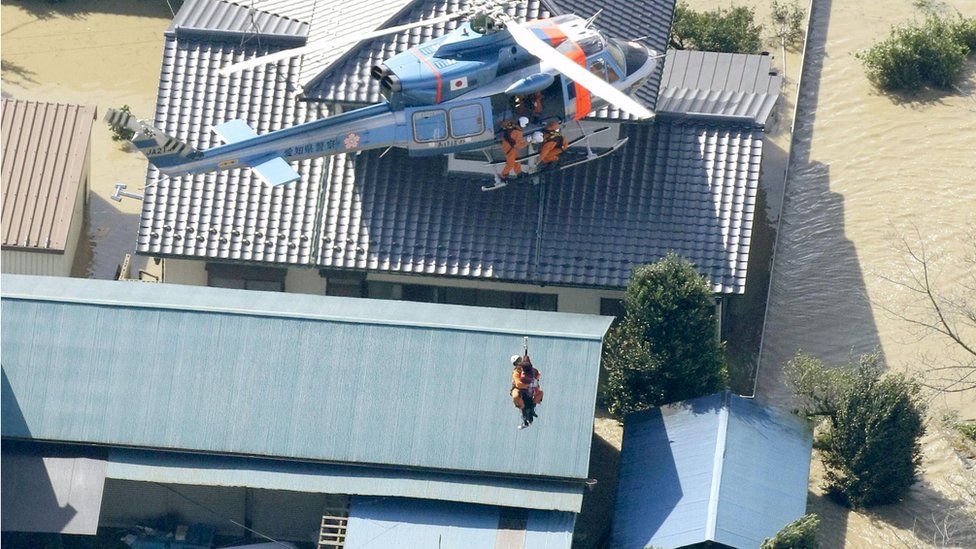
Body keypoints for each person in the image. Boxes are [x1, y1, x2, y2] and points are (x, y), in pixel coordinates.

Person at [511, 354, 542, 429]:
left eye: (520, 360)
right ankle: (524, 411)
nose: (519, 363)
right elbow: (518, 384)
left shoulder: (528, 369)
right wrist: (528, 384)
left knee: (540, 393)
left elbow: (537, 375)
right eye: (517, 362)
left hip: (530, 392)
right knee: (515, 395)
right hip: (521, 391)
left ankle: (531, 408)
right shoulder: (516, 372)